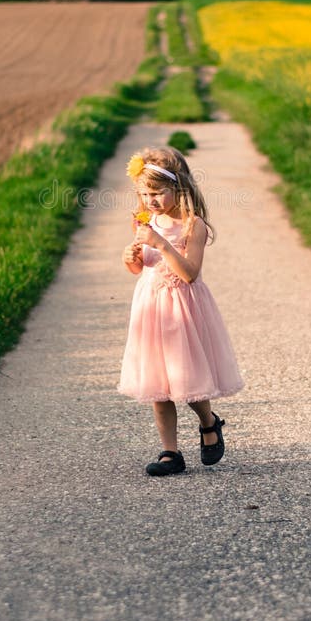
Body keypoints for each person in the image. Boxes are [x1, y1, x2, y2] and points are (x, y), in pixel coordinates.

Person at [117, 145, 244, 476]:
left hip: (182, 309)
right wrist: (132, 257)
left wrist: (160, 243)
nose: (151, 201)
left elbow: (189, 273)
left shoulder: (192, 226)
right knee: (159, 384)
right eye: (145, 194)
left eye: (158, 193)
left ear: (179, 188)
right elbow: (142, 266)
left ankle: (208, 422)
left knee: (187, 378)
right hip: (151, 309)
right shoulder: (147, 221)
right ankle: (170, 453)